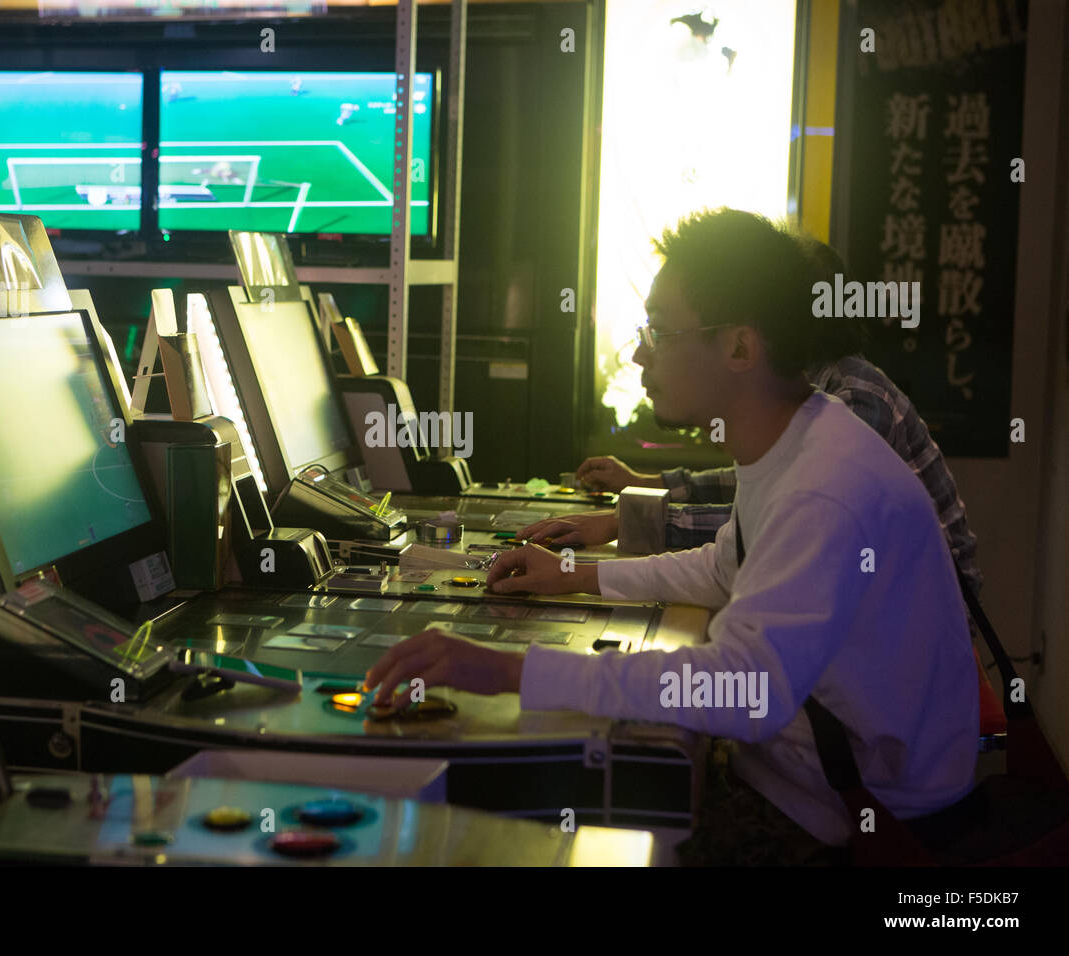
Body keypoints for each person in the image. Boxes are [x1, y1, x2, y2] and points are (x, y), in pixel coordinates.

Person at [364, 209, 977, 863]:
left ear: (740, 347)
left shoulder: (821, 487)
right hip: (806, 787)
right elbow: (723, 566)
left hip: (859, 826)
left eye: (659, 330)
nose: (639, 353)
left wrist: (510, 670)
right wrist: (574, 573)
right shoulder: (800, 436)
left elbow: (745, 691)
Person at [524, 239, 983, 599]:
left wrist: (625, 523)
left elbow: (766, 540)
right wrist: (640, 494)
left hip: (913, 625)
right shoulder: (798, 405)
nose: (641, 355)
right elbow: (730, 557)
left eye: (660, 332)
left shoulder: (851, 408)